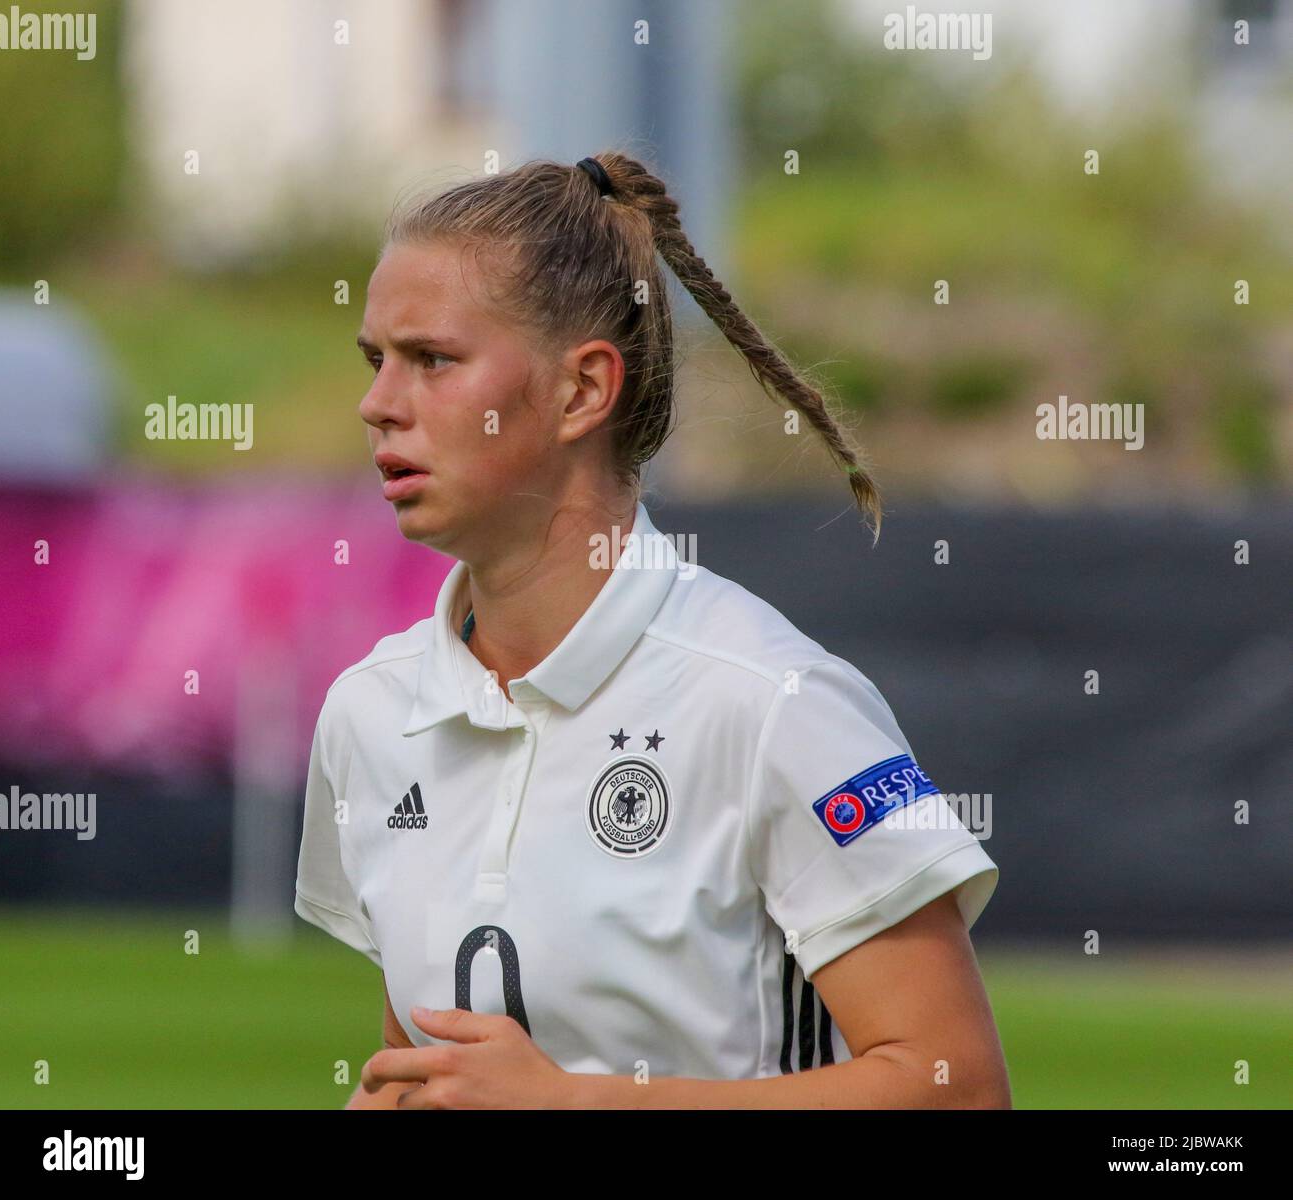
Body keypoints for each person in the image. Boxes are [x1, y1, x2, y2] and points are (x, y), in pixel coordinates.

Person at [294, 152, 1009, 1109]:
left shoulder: (775, 702)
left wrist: (581, 1104)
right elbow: (433, 1063)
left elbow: (955, 1089)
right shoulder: (369, 713)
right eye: (375, 360)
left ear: (582, 391)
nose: (378, 402)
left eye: (432, 359)